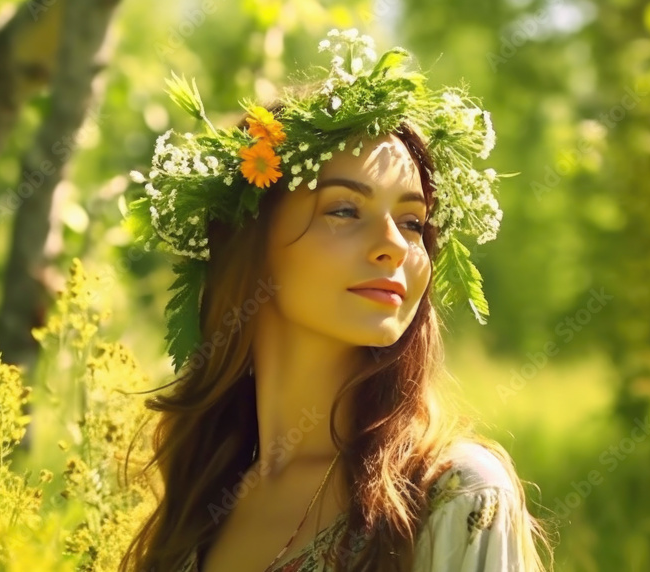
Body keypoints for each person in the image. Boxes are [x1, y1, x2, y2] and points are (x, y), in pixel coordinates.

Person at [119, 29, 554, 572]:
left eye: (414, 221)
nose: (394, 246)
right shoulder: (200, 502)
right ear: (251, 245)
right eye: (345, 210)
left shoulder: (451, 497)